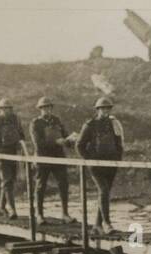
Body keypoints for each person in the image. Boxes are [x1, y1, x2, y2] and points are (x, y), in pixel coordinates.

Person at [76, 96, 124, 235]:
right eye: (102, 109)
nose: (105, 111)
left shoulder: (113, 123)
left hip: (111, 164)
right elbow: (79, 145)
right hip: (96, 166)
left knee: (105, 193)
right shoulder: (90, 125)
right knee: (103, 190)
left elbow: (119, 142)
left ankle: (97, 225)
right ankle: (107, 223)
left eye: (107, 108)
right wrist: (90, 159)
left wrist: (118, 158)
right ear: (98, 110)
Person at [30, 96, 73, 223]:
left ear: (51, 108)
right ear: (40, 109)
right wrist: (56, 142)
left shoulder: (57, 120)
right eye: (44, 108)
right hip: (43, 158)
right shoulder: (36, 123)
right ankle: (39, 215)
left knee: (63, 184)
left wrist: (69, 140)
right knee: (41, 185)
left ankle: (65, 214)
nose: (46, 110)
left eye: (48, 107)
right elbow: (38, 143)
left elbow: (65, 135)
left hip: (58, 157)